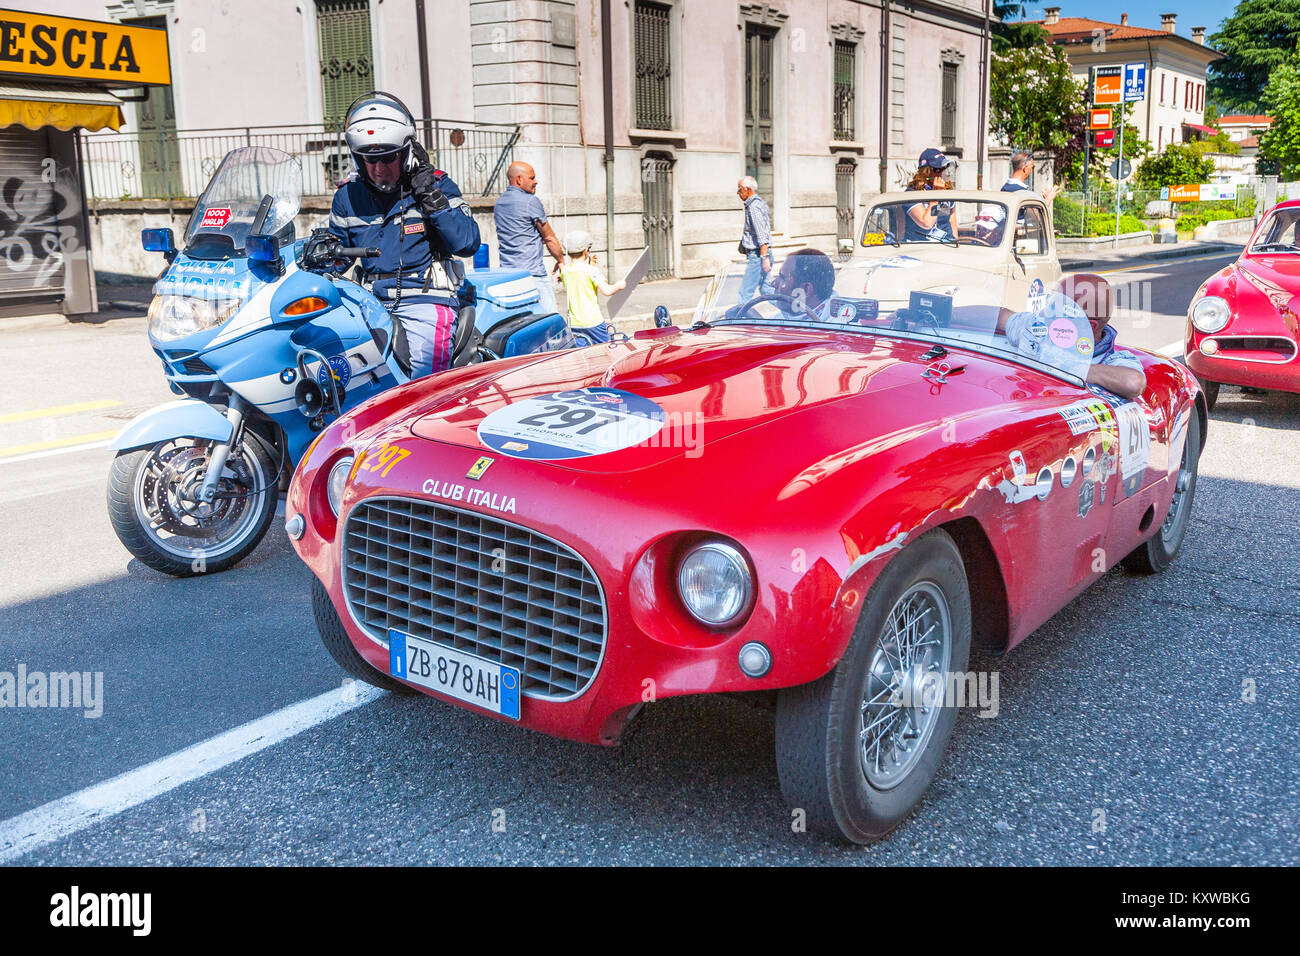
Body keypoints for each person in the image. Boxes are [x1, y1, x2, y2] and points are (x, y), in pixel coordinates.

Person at [329, 91, 480, 378]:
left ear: (406, 153)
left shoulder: (436, 185)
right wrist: (319, 255)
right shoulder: (347, 197)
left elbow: (467, 242)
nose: (378, 169)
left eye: (387, 158)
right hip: (367, 303)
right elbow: (337, 258)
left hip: (426, 300)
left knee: (420, 387)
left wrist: (430, 196)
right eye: (369, 160)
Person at [997, 273, 1146, 399]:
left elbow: (1133, 382)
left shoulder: (1112, 360)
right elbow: (998, 317)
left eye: (1058, 309)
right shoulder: (1037, 329)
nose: (1045, 313)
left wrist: (1065, 366)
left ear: (1089, 325)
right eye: (1050, 303)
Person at [495, 161, 565, 317]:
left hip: (508, 275)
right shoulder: (530, 201)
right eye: (532, 178)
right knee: (550, 323)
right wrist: (561, 260)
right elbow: (549, 237)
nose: (536, 182)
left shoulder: (499, 203)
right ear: (519, 179)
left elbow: (518, 233)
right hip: (532, 275)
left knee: (522, 324)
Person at [558, 230, 625, 344]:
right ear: (586, 250)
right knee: (606, 349)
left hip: (574, 324)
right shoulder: (592, 271)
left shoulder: (565, 271)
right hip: (593, 322)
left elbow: (577, 274)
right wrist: (619, 285)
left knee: (583, 354)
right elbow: (607, 291)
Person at [904, 149, 956, 243]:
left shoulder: (947, 190)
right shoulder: (912, 193)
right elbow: (927, 223)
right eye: (938, 169)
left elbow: (952, 219)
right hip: (922, 245)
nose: (942, 173)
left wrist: (956, 242)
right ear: (926, 172)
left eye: (944, 168)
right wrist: (935, 196)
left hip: (947, 243)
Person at [736, 176, 774, 302]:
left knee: (745, 293)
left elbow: (762, 235)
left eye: (740, 189)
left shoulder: (753, 206)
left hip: (758, 256)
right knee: (766, 290)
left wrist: (764, 258)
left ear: (748, 189)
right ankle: (793, 311)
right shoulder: (758, 203)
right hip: (761, 255)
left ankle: (739, 320)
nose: (738, 193)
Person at [771, 248, 836, 320]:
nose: (773, 284)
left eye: (782, 278)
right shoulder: (786, 315)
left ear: (805, 289)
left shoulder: (837, 327)